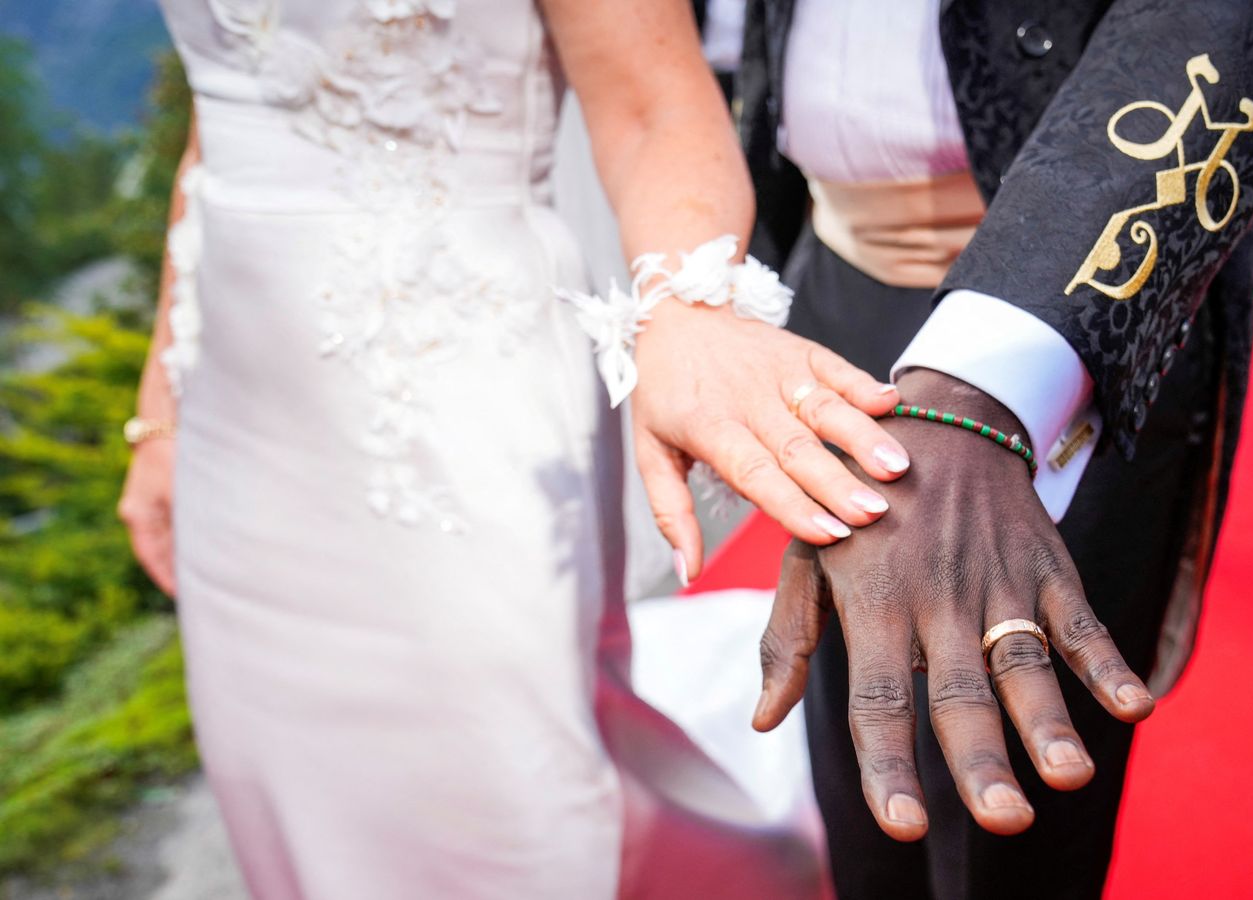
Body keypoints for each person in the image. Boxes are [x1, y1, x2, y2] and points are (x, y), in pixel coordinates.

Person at [117, 0, 950, 895]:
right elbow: (227, 115)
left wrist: (685, 308)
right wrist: (162, 404)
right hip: (236, 401)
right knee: (286, 765)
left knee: (506, 772)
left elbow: (653, 109)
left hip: (448, 382)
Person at [737, 1, 1253, 896]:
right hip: (829, 285)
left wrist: (981, 382)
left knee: (1014, 819)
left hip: (1071, 315)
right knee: (862, 764)